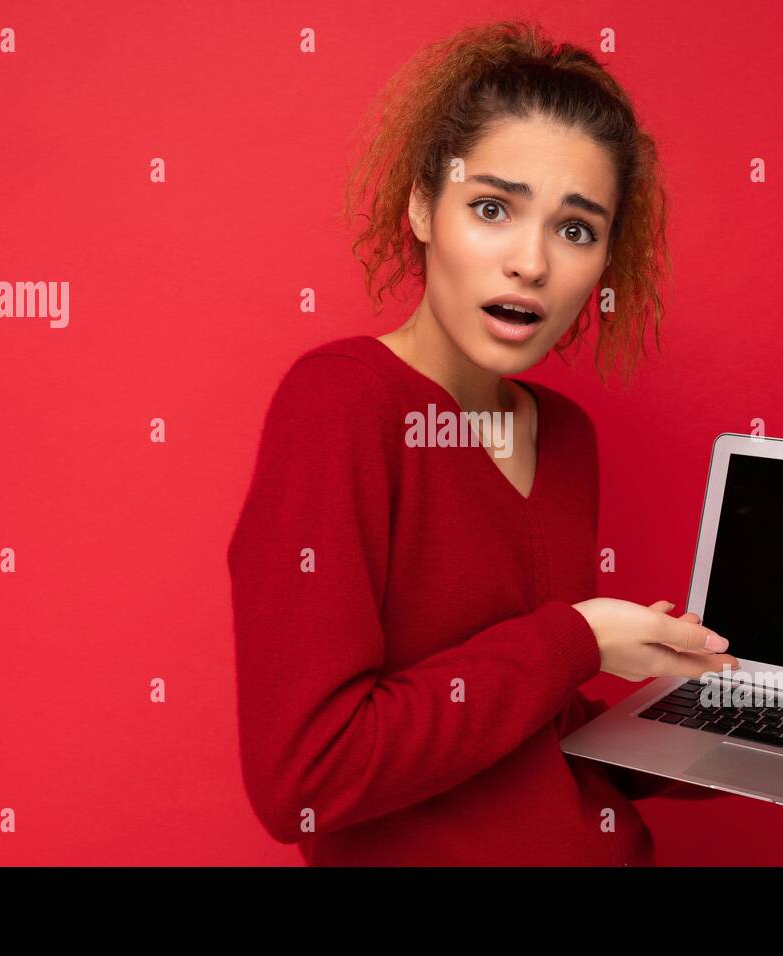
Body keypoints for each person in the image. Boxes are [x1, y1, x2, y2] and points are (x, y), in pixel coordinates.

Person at [226, 19, 737, 866]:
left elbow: (515, 717)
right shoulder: (341, 405)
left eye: (576, 229)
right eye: (492, 208)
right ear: (423, 207)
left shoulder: (566, 436)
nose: (530, 263)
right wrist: (578, 637)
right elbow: (307, 779)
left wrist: (733, 735)